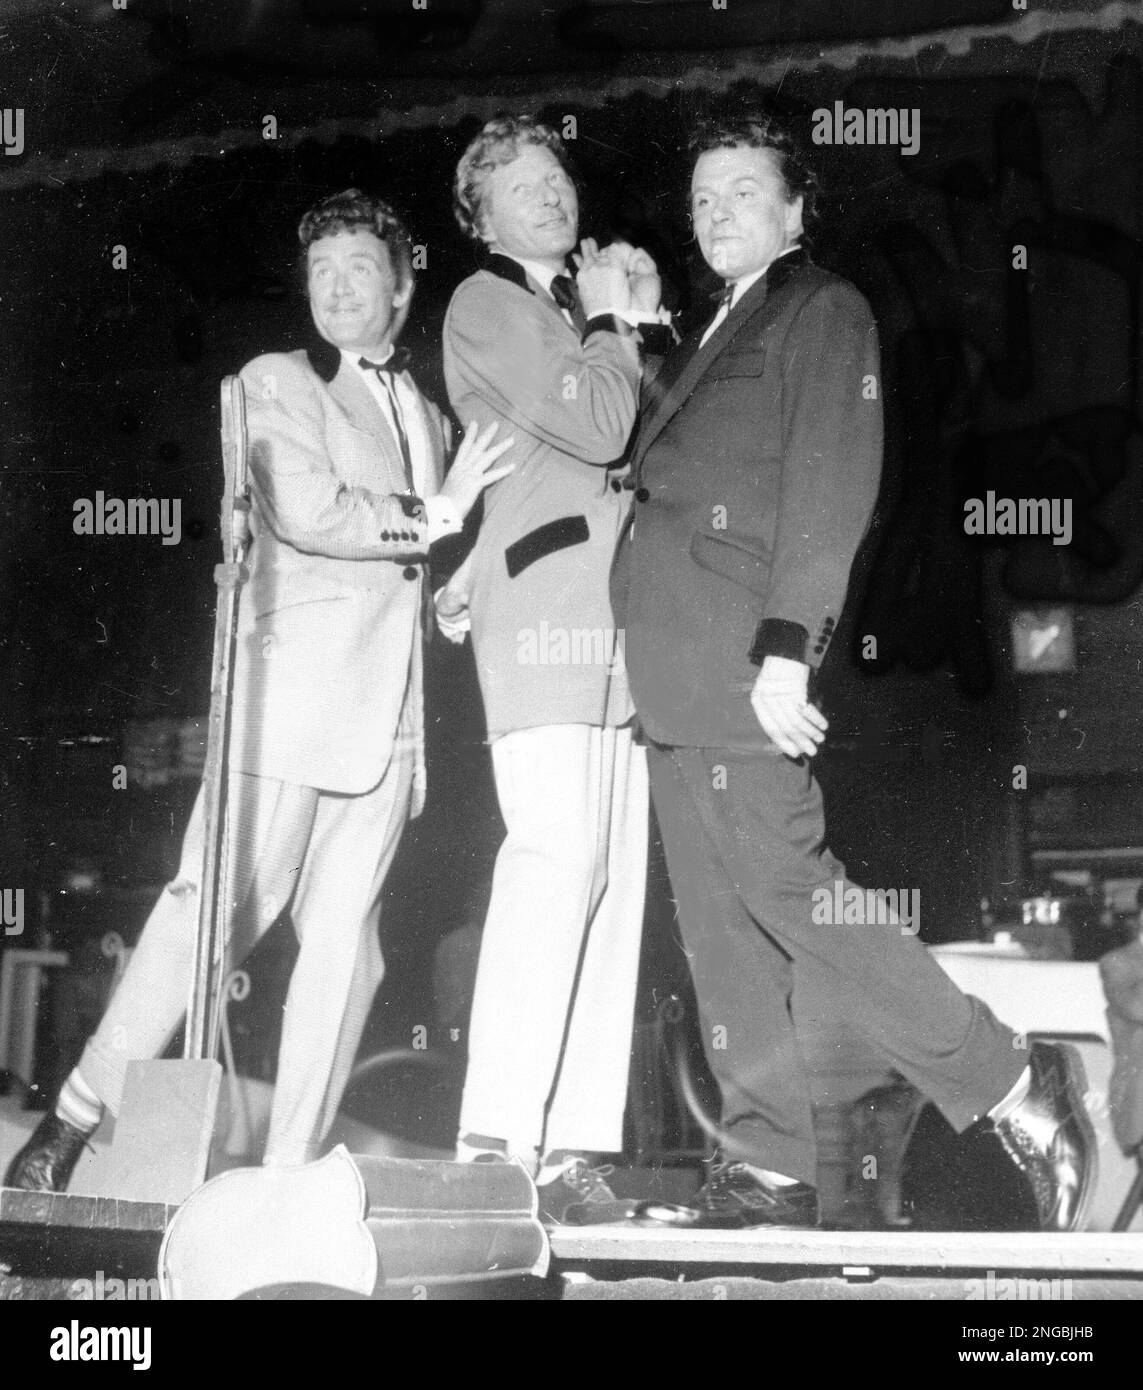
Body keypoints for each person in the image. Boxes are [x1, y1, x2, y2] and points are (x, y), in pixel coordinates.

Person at [611, 113, 1096, 1231]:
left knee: (791, 886)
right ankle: (772, 1164)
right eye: (702, 198)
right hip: (668, 676)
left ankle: (1014, 1079)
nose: (719, 211)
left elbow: (832, 483)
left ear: (795, 210)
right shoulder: (703, 339)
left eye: (744, 190)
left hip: (743, 658)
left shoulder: (819, 310)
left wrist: (789, 645)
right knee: (722, 922)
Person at [4, 189, 513, 1190]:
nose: (334, 288)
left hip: (392, 726)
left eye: (358, 267)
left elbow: (425, 555)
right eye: (319, 272)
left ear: (403, 285)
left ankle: (288, 1170)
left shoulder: (426, 409)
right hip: (292, 709)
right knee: (208, 912)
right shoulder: (274, 381)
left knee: (347, 953)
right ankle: (68, 1122)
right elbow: (310, 507)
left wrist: (454, 596)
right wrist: (435, 511)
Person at [436, 115, 669, 1223]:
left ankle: (573, 1145)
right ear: (478, 218)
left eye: (558, 175)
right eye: (520, 185)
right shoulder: (489, 305)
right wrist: (618, 322)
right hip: (543, 614)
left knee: (615, 881)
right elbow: (597, 422)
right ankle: (495, 1134)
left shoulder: (572, 312)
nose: (549, 194)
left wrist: (626, 320)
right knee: (553, 855)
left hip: (619, 627)